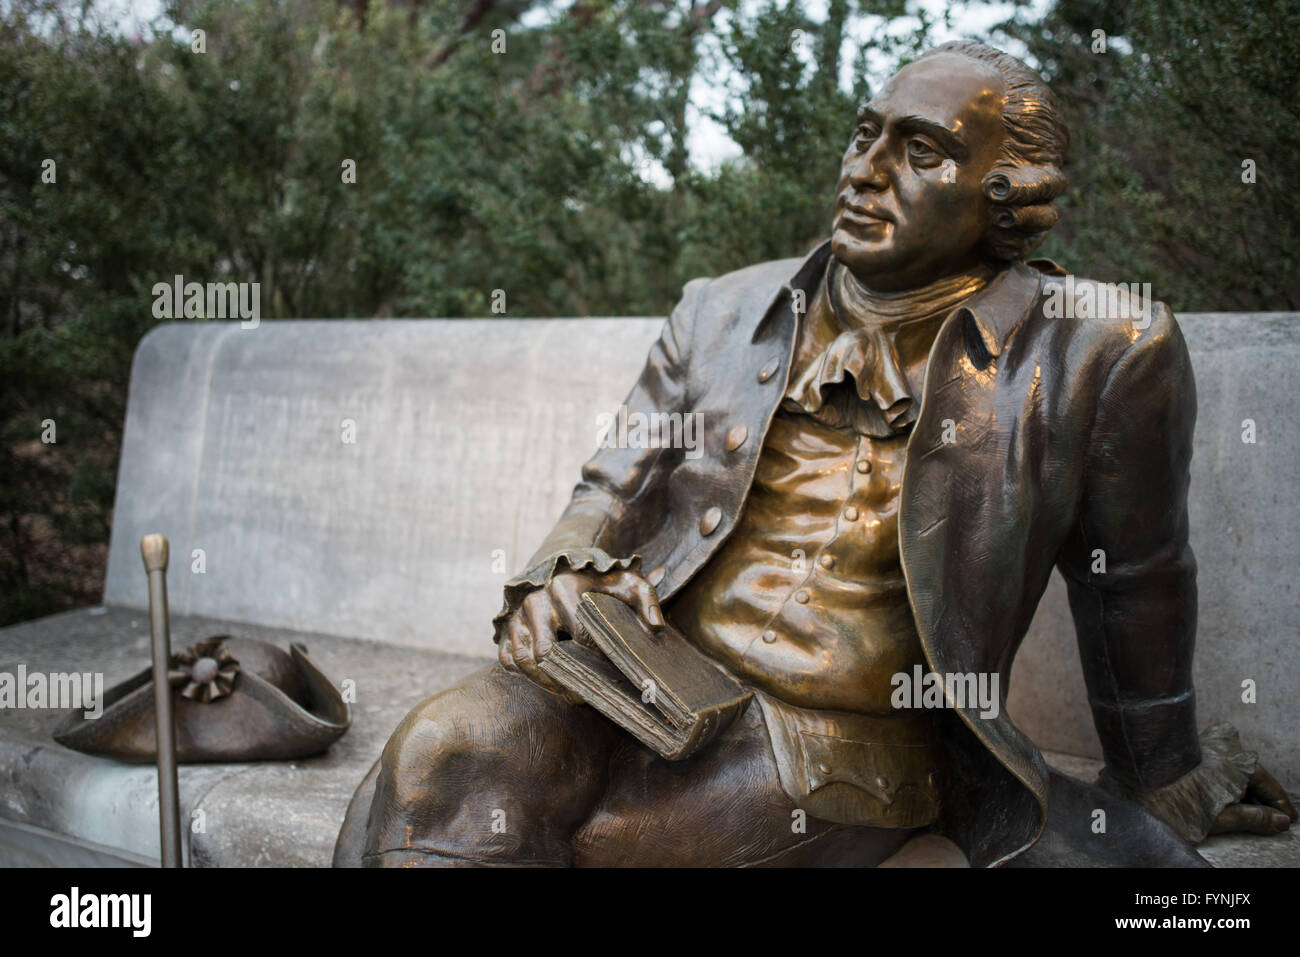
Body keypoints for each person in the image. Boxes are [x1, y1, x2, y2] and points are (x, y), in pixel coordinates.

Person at [336, 40, 1294, 868]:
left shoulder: (1103, 349)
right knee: (440, 752)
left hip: (848, 742)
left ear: (1008, 197)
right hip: (641, 682)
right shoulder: (718, 310)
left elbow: (1132, 579)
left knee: (612, 840)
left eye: (920, 151)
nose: (865, 170)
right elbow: (608, 489)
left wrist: (1163, 769)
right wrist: (563, 571)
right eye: (864, 134)